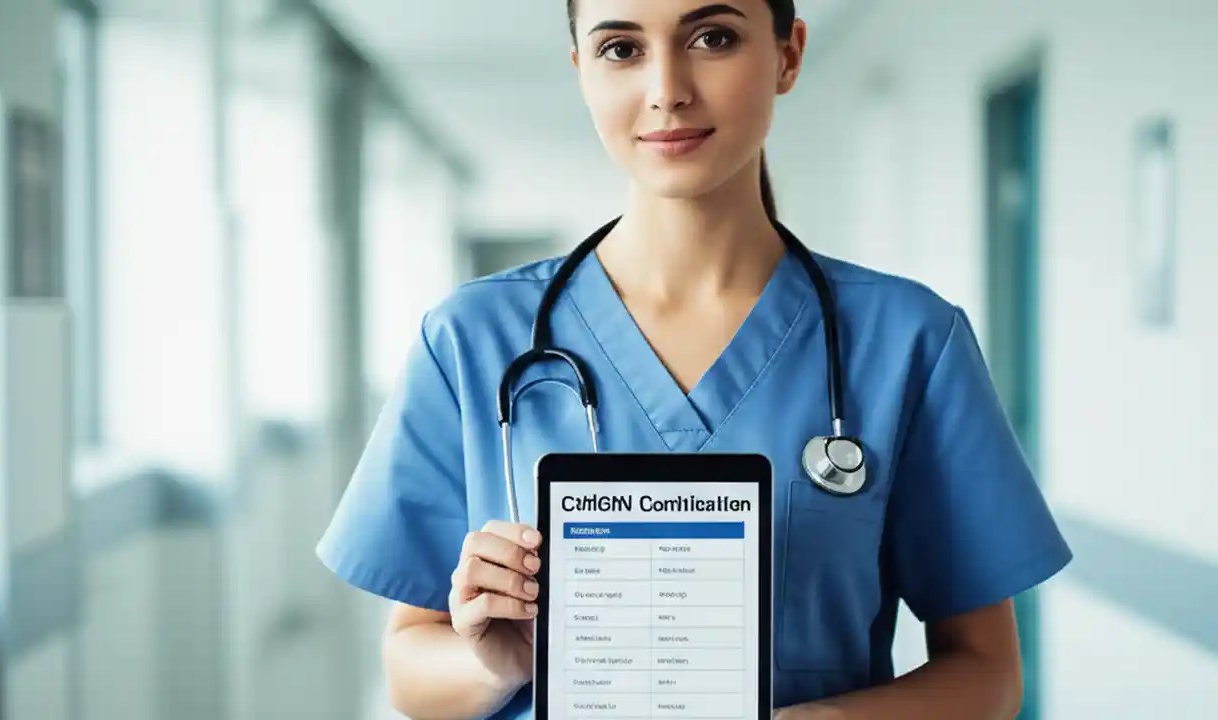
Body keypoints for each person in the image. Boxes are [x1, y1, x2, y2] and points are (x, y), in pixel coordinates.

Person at [315, 0, 1072, 717]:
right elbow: (409, 666)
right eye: (622, 49)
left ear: (788, 53)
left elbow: (988, 675)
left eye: (712, 38)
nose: (667, 91)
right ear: (582, 68)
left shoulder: (908, 340)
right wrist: (502, 662)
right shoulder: (471, 339)